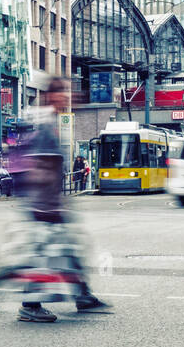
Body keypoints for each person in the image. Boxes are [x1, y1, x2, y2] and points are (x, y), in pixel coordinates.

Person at [7, 75, 112, 323]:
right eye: (62, 92)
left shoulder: (49, 121)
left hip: (49, 203)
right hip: (43, 205)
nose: (67, 97)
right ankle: (30, 306)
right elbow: (40, 167)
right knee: (43, 256)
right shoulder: (44, 125)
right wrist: (49, 204)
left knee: (67, 250)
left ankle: (82, 295)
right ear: (51, 96)